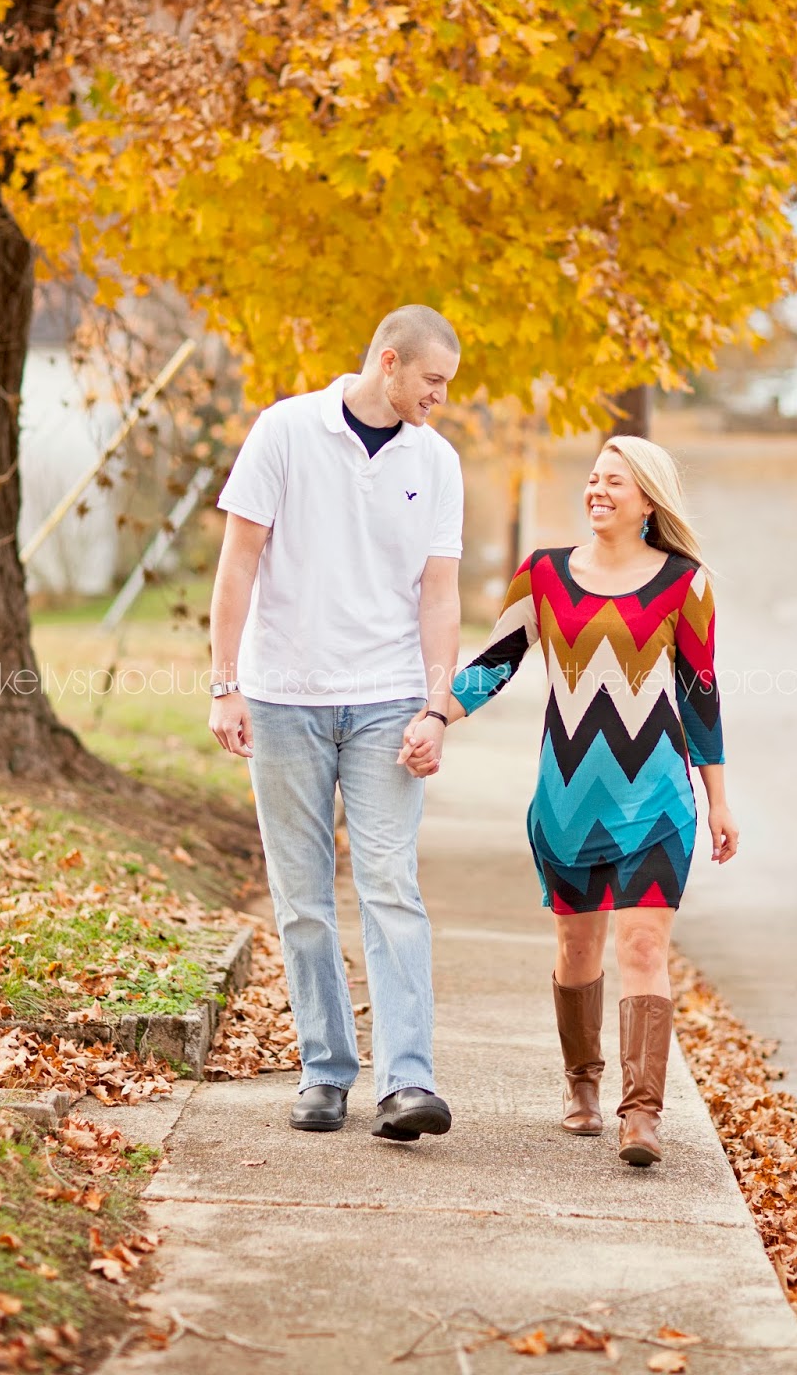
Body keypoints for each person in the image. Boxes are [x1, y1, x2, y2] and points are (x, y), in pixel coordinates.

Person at [400, 434, 738, 1166]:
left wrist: (717, 800)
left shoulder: (685, 584)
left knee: (643, 944)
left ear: (648, 501)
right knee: (576, 948)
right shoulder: (544, 574)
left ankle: (642, 1114)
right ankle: (581, 1080)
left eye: (615, 482)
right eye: (593, 478)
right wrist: (436, 715)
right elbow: (495, 664)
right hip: (567, 798)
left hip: (658, 801)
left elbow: (701, 696)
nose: (597, 491)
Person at [209, 305, 464, 1141]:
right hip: (284, 697)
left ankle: (407, 1082)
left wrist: (436, 706)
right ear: (389, 362)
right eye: (432, 380)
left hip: (389, 698)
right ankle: (324, 1071)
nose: (439, 397)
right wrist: (225, 684)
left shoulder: (437, 461)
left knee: (391, 886)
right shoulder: (285, 432)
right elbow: (238, 562)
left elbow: (439, 595)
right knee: (303, 897)